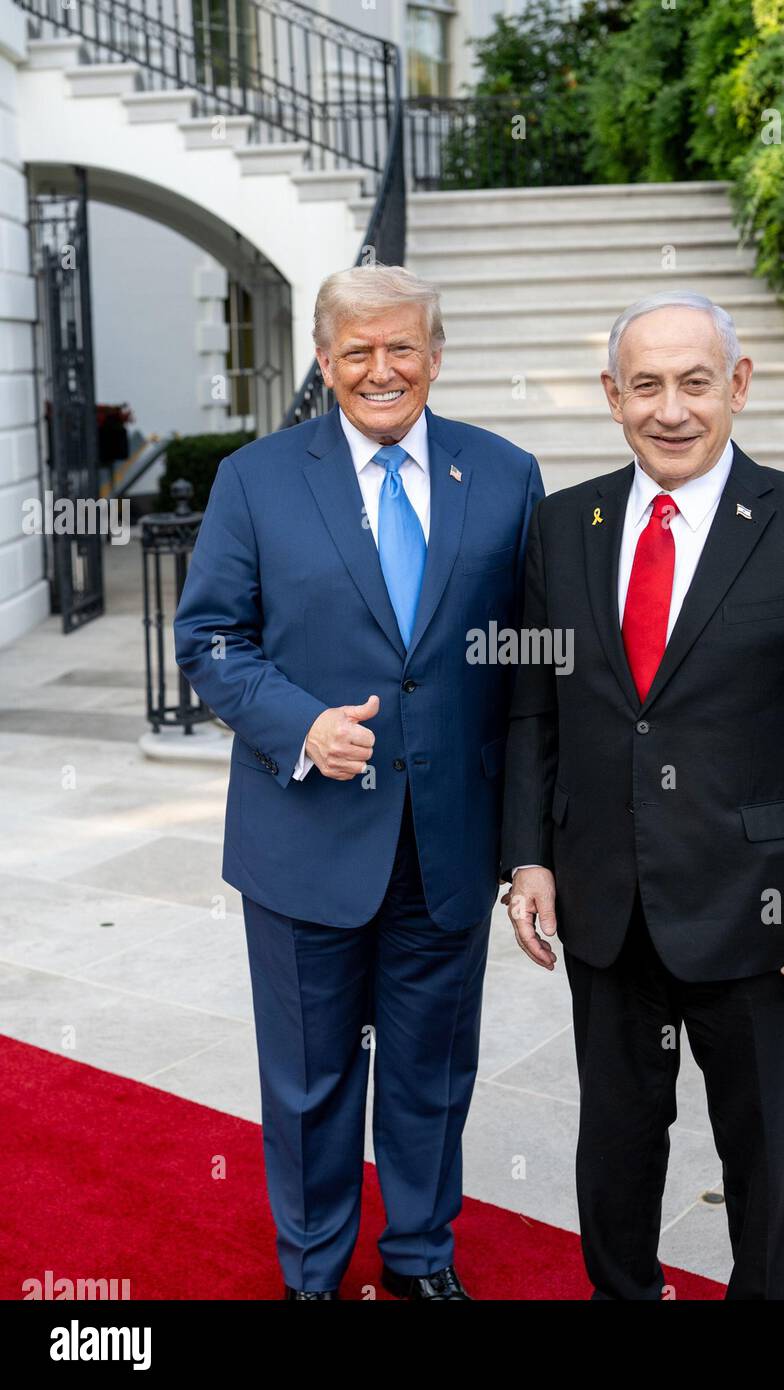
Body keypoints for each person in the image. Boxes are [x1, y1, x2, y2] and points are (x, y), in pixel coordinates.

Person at [501, 290, 784, 1300]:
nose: (670, 409)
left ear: (738, 385)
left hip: (758, 911)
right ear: (611, 395)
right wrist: (530, 856)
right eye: (645, 385)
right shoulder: (561, 523)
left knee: (760, 1158)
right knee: (615, 1146)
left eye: (693, 382)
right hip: (604, 905)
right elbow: (534, 710)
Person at [175, 264, 544, 1300]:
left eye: (402, 348)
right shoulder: (256, 478)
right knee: (309, 1083)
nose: (382, 370)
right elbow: (207, 637)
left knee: (431, 1075)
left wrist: (528, 844)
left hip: (449, 845)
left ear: (434, 354)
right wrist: (301, 723)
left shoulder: (506, 474)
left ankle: (423, 1259)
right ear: (327, 362)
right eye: (357, 351)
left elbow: (528, 675)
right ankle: (312, 1272)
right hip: (304, 837)